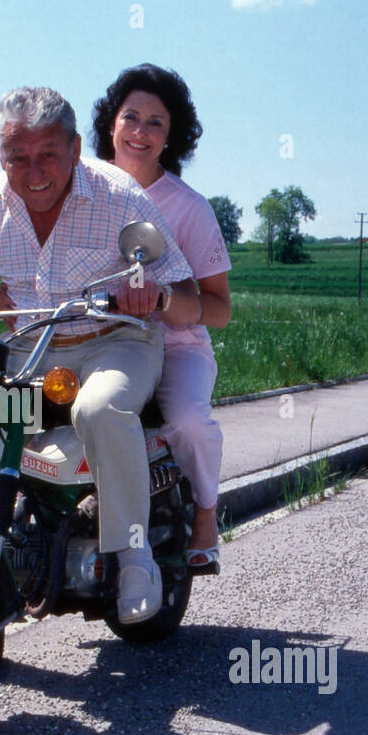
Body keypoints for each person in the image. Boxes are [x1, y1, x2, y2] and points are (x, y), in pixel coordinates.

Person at [0, 86, 199, 623]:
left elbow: (188, 298)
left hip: (114, 343)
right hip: (30, 354)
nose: (33, 171)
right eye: (16, 157)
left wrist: (157, 295)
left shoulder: (120, 196)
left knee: (100, 409)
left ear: (75, 149)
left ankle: (134, 556)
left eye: (48, 153)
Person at [92, 63, 231, 573]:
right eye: (131, 117)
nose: (140, 132)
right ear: (110, 124)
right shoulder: (80, 191)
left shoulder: (190, 208)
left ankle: (206, 513)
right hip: (93, 340)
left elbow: (219, 308)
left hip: (175, 347)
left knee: (191, 422)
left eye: (156, 122)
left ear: (172, 136)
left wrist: (167, 302)